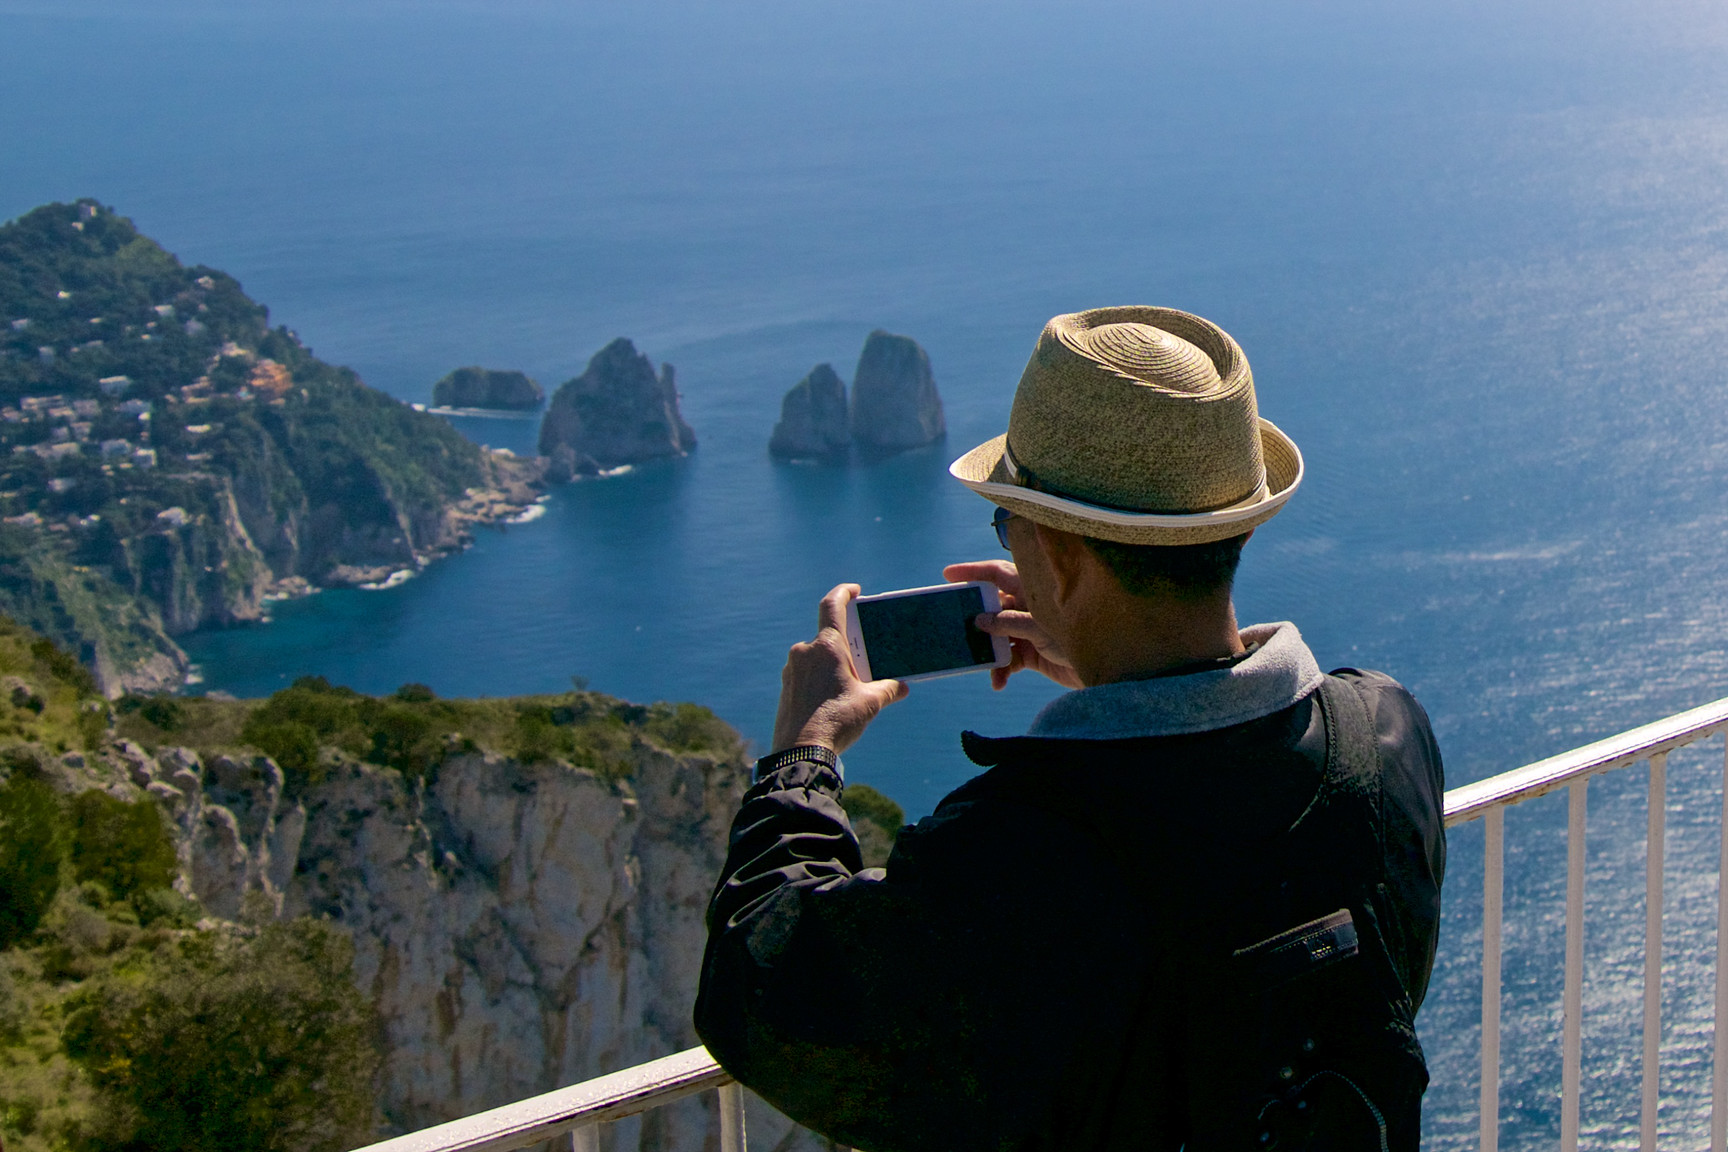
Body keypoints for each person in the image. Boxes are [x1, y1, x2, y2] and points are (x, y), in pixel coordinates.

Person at [694, 307, 1446, 1151]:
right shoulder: (1385, 735)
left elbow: (759, 987)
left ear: (1058, 556)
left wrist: (802, 753)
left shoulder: (1011, 862)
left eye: (1008, 527)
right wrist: (1113, 664)